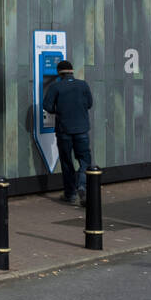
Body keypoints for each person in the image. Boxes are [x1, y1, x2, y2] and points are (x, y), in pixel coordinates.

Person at [42, 59, 94, 205]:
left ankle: (70, 194)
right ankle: (83, 185)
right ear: (72, 71)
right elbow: (89, 104)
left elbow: (47, 106)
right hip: (82, 129)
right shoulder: (83, 85)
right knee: (84, 161)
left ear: (59, 73)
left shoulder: (55, 87)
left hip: (64, 130)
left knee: (67, 162)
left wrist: (59, 110)